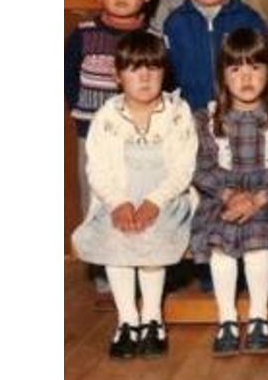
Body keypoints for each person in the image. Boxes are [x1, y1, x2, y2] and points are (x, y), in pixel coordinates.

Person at [70, 31, 197, 360]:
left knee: (151, 235)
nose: (144, 77)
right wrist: (118, 202)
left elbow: (183, 168)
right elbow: (97, 169)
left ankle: (153, 317)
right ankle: (128, 319)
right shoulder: (107, 117)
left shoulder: (177, 113)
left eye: (153, 68)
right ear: (117, 75)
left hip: (166, 199)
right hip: (119, 198)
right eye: (133, 69)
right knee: (118, 237)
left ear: (164, 72)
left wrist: (154, 202)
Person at [190, 29, 268, 356]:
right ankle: (227, 319)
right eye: (235, 69)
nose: (246, 77)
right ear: (223, 76)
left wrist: (260, 197)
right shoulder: (208, 118)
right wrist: (228, 195)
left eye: (255, 67)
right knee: (222, 240)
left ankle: (259, 317)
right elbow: (200, 167)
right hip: (224, 197)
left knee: (258, 240)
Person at [66, 0, 159, 224]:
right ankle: (96, 265)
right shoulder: (84, 33)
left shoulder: (154, 38)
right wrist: (78, 107)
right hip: (92, 132)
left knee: (134, 195)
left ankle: (134, 256)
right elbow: (66, 74)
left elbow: (163, 84)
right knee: (94, 196)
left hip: (138, 137)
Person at [163, 0, 267, 111]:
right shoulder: (175, 24)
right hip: (190, 114)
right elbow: (167, 76)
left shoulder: (250, 20)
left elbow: (264, 70)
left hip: (239, 112)